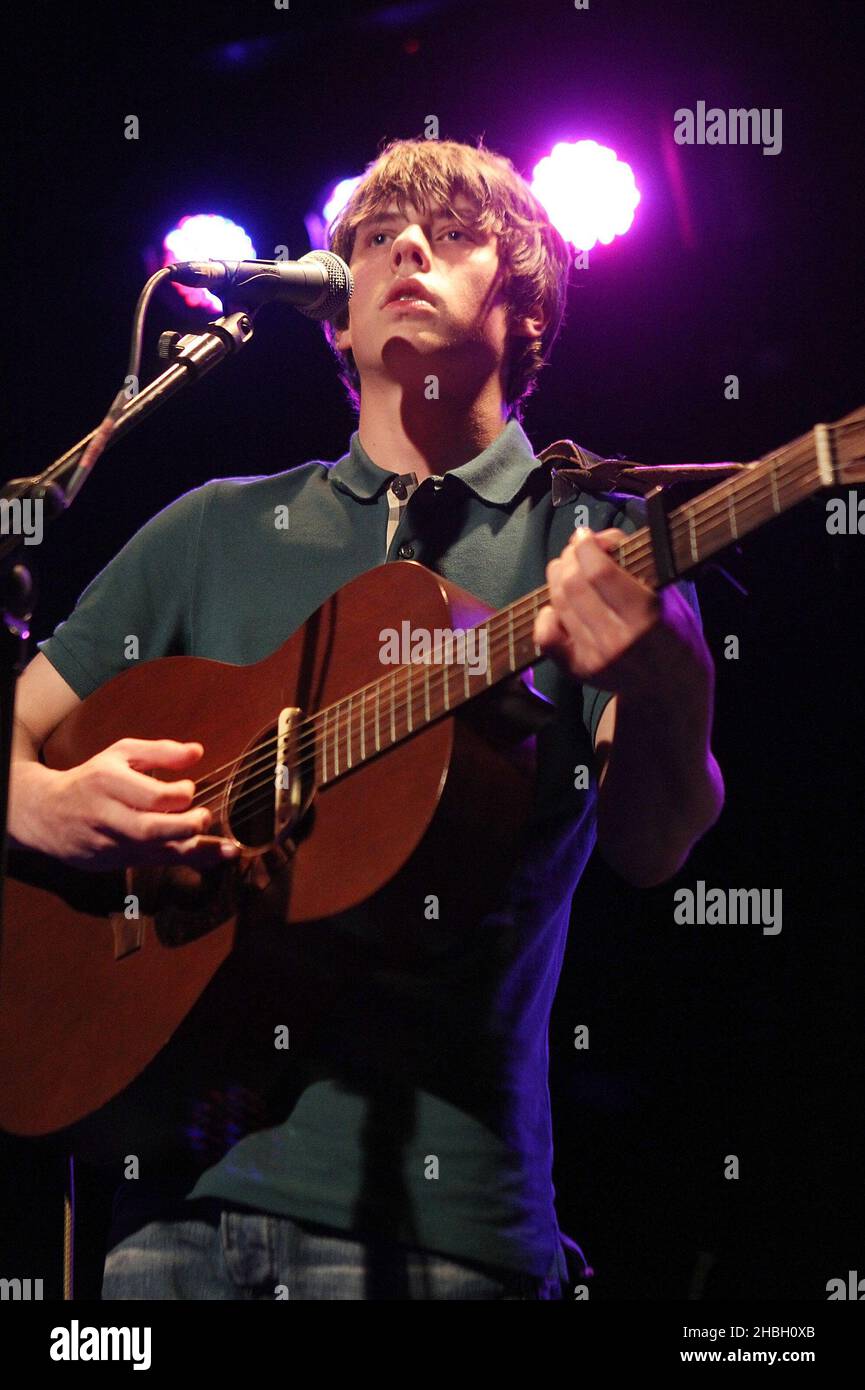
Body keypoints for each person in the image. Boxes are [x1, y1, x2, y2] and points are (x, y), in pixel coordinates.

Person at [8, 136, 724, 1300]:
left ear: (528, 310)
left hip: (439, 1236)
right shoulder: (211, 528)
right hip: (164, 1217)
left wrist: (672, 681)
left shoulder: (591, 540)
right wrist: (43, 805)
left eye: (450, 236)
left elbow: (654, 841)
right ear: (335, 318)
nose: (404, 248)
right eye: (378, 236)